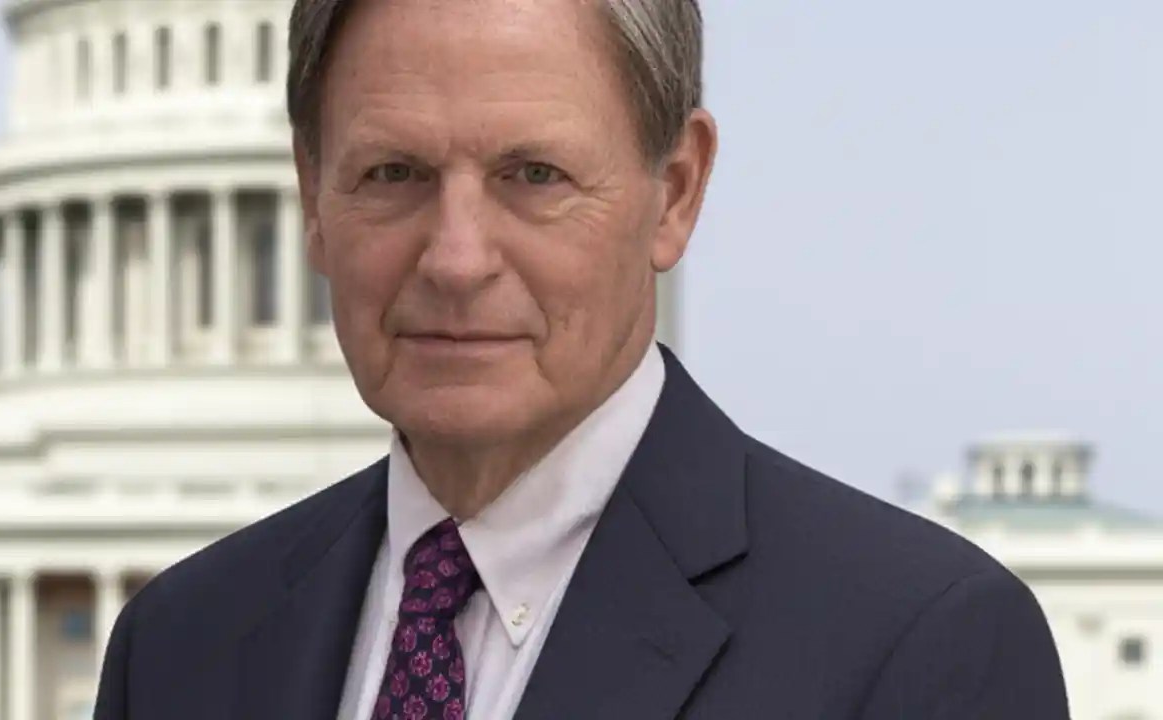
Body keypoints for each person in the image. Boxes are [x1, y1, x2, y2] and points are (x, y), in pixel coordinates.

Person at [94, 0, 1070, 718]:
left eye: (532, 176)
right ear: (312, 197)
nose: (456, 260)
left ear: (675, 191)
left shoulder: (917, 647)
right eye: (393, 174)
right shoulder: (180, 646)